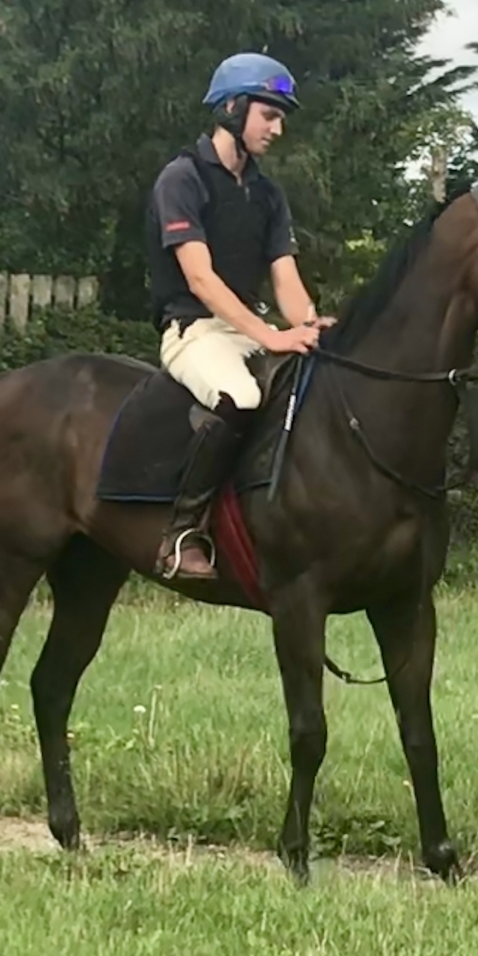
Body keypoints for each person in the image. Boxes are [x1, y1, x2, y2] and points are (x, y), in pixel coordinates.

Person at [143, 51, 332, 581]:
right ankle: (182, 534)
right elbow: (200, 279)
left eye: (281, 116)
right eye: (269, 114)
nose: (278, 126)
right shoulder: (181, 180)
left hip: (246, 328)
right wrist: (271, 336)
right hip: (193, 329)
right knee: (242, 398)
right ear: (233, 108)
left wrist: (310, 326)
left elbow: (285, 277)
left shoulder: (267, 193)